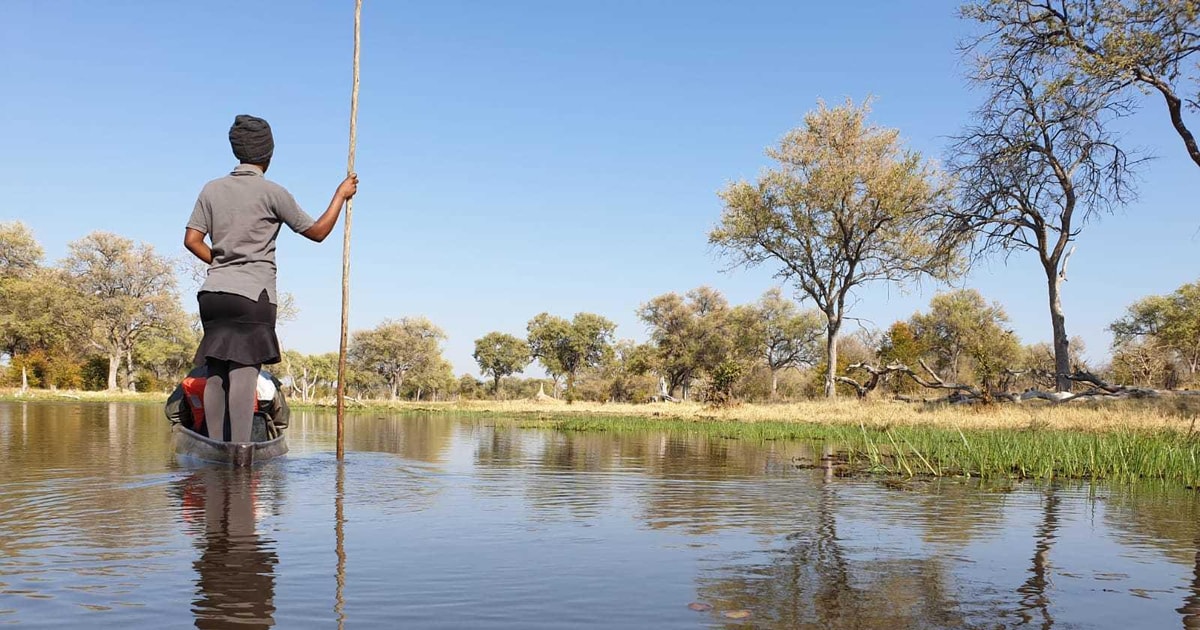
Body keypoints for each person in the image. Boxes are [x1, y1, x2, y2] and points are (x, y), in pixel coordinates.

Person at [184, 114, 357, 442]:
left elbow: (192, 240)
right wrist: (340, 195)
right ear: (269, 154)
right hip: (254, 296)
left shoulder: (211, 189)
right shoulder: (273, 193)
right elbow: (318, 232)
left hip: (214, 296)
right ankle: (240, 452)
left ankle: (215, 449)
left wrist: (222, 262)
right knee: (244, 373)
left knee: (217, 374)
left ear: (236, 151)